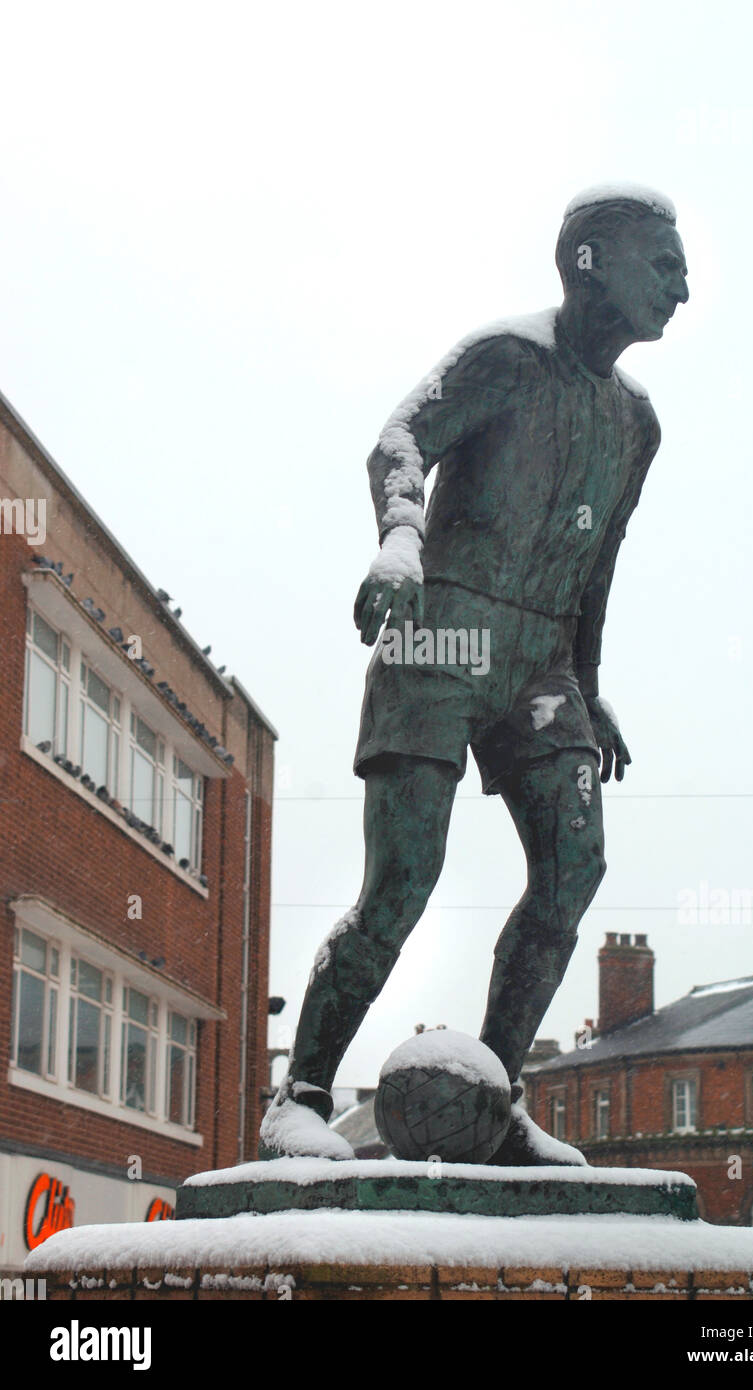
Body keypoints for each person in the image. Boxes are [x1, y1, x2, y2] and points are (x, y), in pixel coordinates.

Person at [263, 184, 689, 1164]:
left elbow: (597, 564)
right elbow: (399, 439)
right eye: (660, 264)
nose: (681, 286)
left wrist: (586, 684)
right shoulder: (504, 359)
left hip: (540, 662)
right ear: (589, 262)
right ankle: (302, 1095)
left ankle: (494, 1106)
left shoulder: (636, 424)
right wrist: (400, 538)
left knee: (573, 866)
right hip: (439, 636)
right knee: (402, 881)